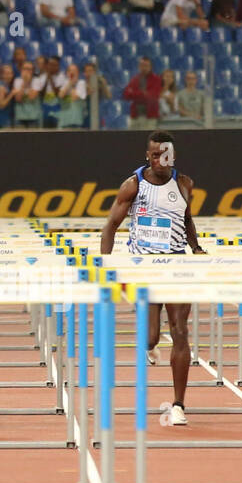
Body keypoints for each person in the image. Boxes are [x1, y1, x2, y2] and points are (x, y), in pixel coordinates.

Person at [98, 131, 205, 426]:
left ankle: (179, 404)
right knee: (150, 337)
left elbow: (186, 219)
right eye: (155, 154)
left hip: (176, 264)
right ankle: (149, 347)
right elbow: (110, 227)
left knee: (180, 330)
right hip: (143, 267)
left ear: (174, 155)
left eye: (166, 154)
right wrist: (106, 269)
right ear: (148, 155)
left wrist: (195, 247)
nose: (161, 159)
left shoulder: (184, 184)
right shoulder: (133, 185)